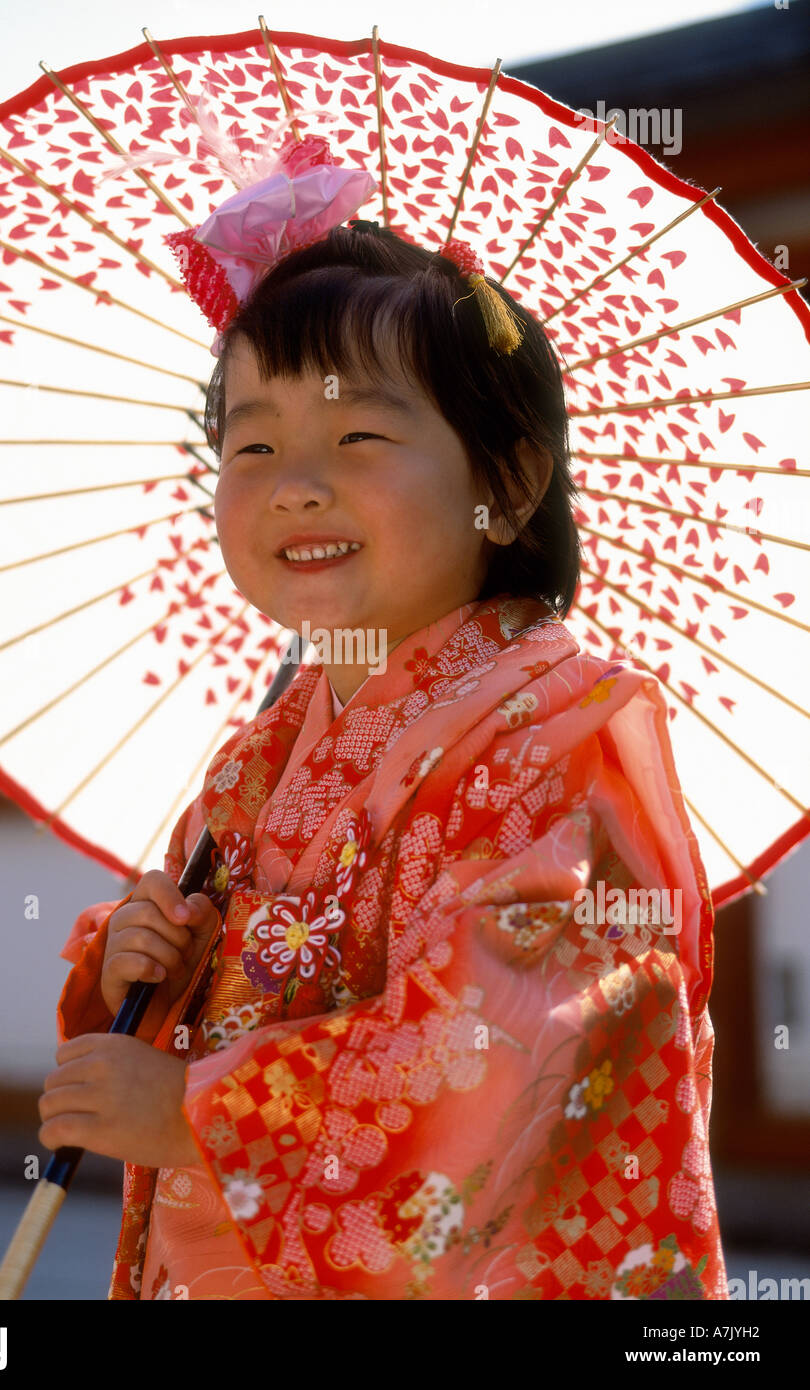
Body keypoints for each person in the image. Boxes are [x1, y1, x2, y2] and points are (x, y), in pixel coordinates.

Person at [39, 169, 728, 1299]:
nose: (296, 485)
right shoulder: (259, 756)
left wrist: (206, 1114)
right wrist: (142, 961)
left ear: (504, 488)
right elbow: (224, 985)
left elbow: (519, 1047)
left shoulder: (560, 730)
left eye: (358, 431)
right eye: (251, 447)